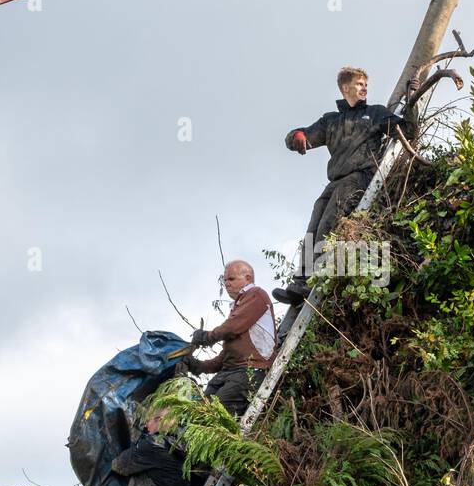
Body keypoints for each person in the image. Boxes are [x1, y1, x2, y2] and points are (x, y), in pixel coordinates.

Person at [273, 66, 417, 306]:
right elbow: (303, 135)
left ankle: (314, 278)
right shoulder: (331, 120)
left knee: (329, 221)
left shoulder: (375, 113)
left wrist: (412, 101)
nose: (364, 88)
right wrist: (297, 136)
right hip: (337, 178)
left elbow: (408, 131)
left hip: (361, 176)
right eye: (359, 84)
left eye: (366, 85)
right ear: (345, 87)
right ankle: (300, 282)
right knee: (315, 219)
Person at [178, 259, 276, 415]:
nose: (226, 284)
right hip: (229, 372)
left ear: (248, 278)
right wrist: (196, 365)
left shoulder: (256, 294)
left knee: (214, 415)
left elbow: (232, 327)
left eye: (231, 279)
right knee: (198, 414)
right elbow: (225, 357)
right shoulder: (239, 306)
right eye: (225, 281)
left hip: (249, 370)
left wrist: (206, 337)